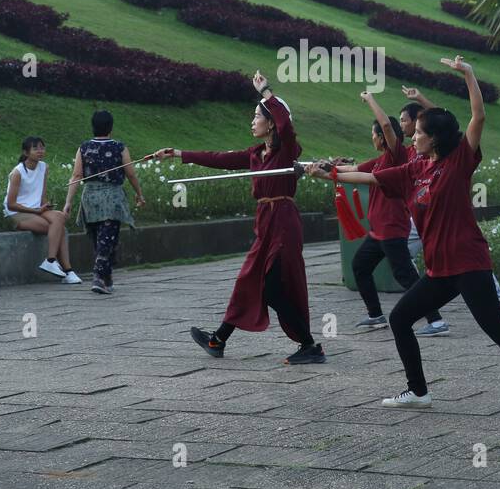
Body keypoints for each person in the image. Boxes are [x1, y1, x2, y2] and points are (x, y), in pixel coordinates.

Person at [310, 57, 500, 419]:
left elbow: (478, 118)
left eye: (420, 132)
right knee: (401, 318)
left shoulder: (458, 162)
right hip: (439, 269)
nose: (414, 135)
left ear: (435, 137)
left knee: (497, 331)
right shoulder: (415, 168)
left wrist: (469, 74)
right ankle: (419, 391)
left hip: (468, 264)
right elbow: (375, 178)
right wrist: (330, 175)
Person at [156, 72, 325, 364]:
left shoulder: (287, 150)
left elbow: (286, 127)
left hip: (283, 223)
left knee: (270, 286)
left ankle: (307, 345)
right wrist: (179, 154)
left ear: (270, 122)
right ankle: (218, 339)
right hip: (265, 224)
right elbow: (219, 158)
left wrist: (267, 93)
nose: (252, 121)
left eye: (257, 116)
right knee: (249, 280)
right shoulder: (255, 154)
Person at [332, 91, 448, 336]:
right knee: (360, 266)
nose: (373, 138)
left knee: (405, 275)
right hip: (378, 232)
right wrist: (326, 167)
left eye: (373, 135)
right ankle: (375, 315)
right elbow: (352, 169)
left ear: (382, 138)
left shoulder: (397, 156)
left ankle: (436, 321)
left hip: (392, 228)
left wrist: (369, 98)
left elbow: (386, 124)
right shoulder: (378, 161)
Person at [399, 86, 500, 312]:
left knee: (495, 325)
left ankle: (496, 296)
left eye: (405, 121)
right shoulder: (416, 154)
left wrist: (466, 75)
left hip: (456, 236)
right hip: (428, 221)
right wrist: (334, 173)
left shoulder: (454, 157)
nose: (403, 126)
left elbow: (458, 121)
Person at [63, 110, 145, 295]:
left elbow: (76, 175)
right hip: (112, 199)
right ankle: (99, 277)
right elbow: (130, 173)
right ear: (111, 127)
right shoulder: (119, 147)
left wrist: (68, 202)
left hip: (90, 198)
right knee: (107, 239)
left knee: (100, 240)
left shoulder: (83, 147)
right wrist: (139, 194)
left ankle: (106, 278)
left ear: (93, 126)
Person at [4, 136, 80, 284]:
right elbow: (10, 204)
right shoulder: (18, 172)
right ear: (26, 153)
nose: (40, 151)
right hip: (17, 213)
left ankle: (55, 263)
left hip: (36, 209)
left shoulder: (44, 167)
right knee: (58, 229)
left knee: (59, 218)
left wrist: (46, 206)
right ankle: (64, 269)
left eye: (42, 147)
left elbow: (41, 195)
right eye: (35, 148)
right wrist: (37, 211)